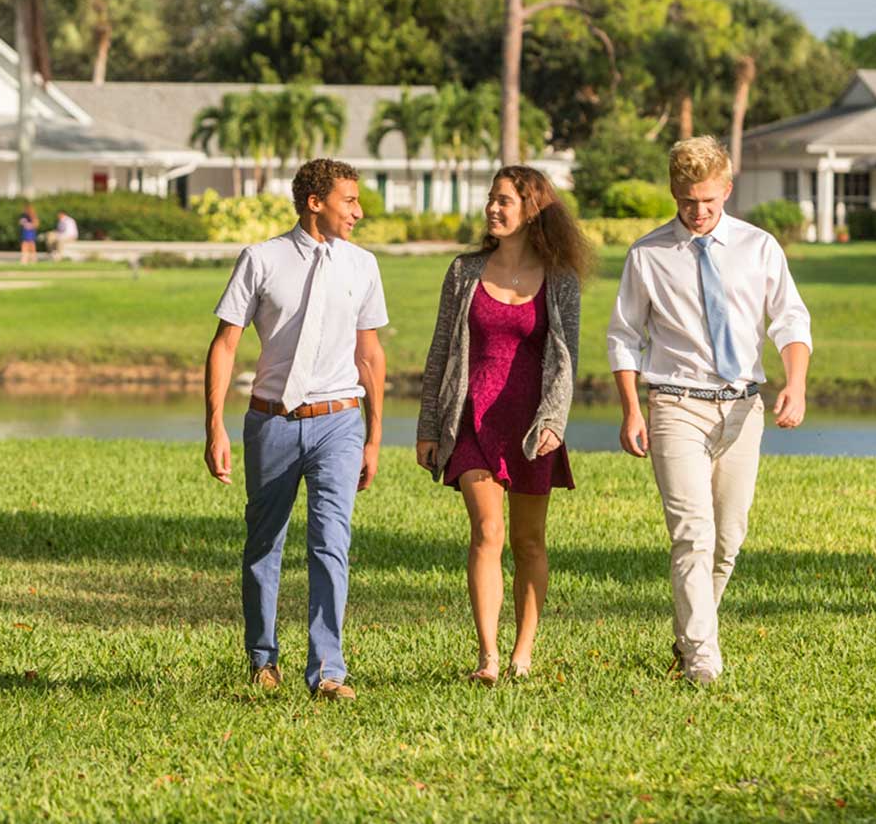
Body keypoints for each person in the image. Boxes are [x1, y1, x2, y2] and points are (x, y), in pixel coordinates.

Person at [606, 136, 813, 685]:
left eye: (709, 201)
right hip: (675, 404)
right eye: (687, 201)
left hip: (743, 408)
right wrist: (631, 409)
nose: (698, 213)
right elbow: (624, 338)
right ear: (674, 192)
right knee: (692, 535)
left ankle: (687, 637)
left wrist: (796, 382)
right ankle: (703, 663)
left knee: (727, 540)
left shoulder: (759, 247)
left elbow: (790, 320)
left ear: (727, 188)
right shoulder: (647, 255)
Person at [203, 158, 388, 701]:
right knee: (264, 545)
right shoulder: (261, 260)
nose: (358, 210)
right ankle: (263, 658)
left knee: (331, 544)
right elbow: (225, 345)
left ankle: (329, 670)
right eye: (349, 200)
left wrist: (374, 436)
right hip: (272, 422)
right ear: (315, 202)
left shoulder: (362, 266)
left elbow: (370, 354)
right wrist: (214, 425)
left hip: (338, 422)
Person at [415, 165, 592, 684]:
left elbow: (566, 360)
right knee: (486, 531)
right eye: (491, 199)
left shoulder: (561, 279)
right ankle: (488, 657)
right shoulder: (464, 272)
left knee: (529, 542)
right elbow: (441, 351)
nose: (493, 208)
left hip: (532, 424)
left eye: (505, 201)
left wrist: (554, 420)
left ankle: (523, 653)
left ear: (532, 209)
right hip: (471, 416)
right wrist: (429, 426)